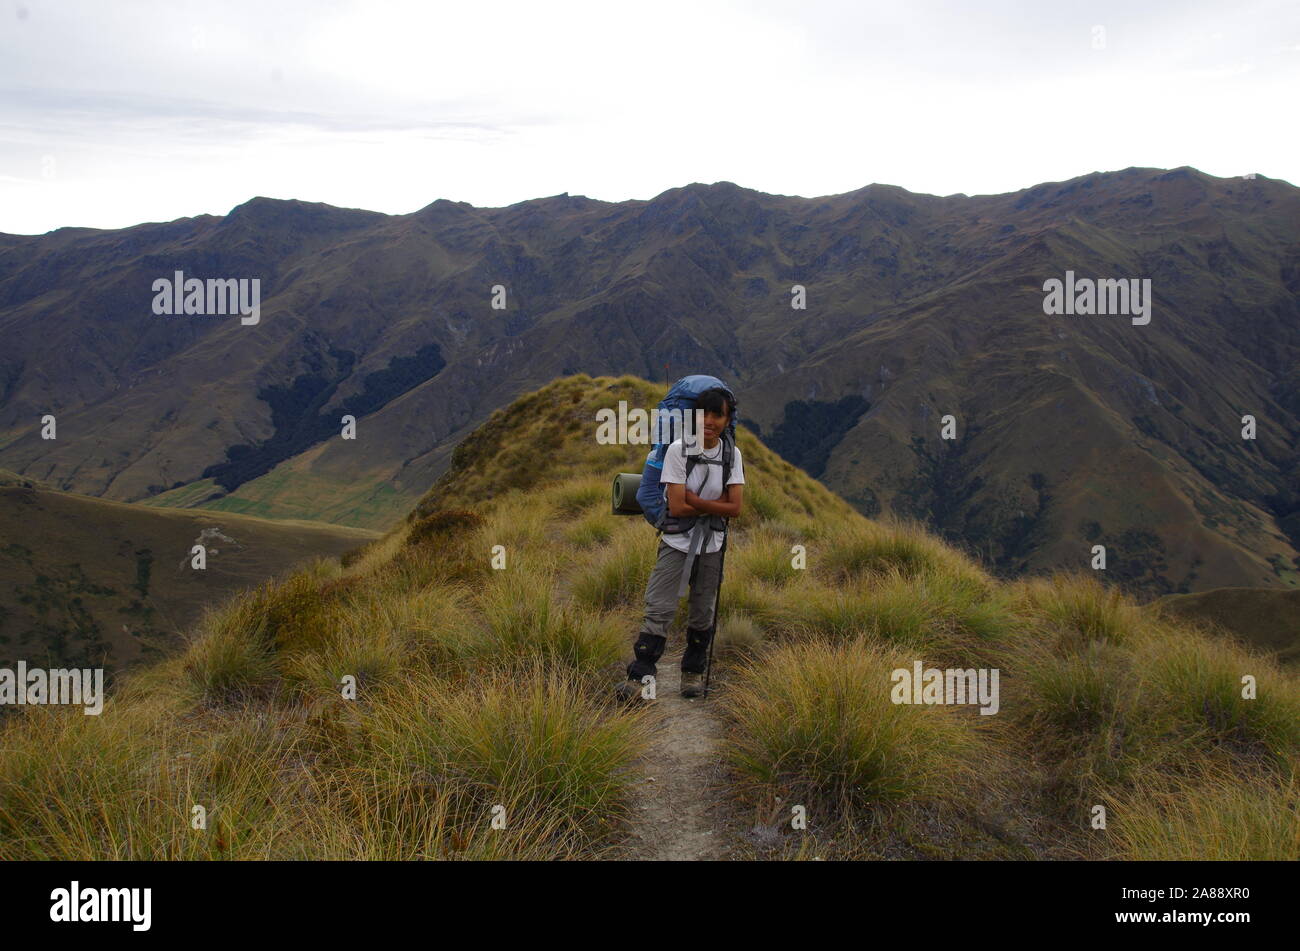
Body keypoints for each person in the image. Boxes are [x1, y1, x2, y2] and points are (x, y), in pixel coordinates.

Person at [615, 387, 744, 701]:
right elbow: (677, 507)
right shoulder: (678, 449)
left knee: (703, 611)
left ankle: (693, 674)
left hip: (712, 545)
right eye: (705, 414)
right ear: (694, 415)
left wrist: (696, 500)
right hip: (677, 542)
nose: (710, 421)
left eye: (718, 415)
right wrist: (715, 504)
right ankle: (640, 676)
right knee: (659, 607)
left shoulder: (731, 454)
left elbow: (736, 508)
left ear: (728, 420)